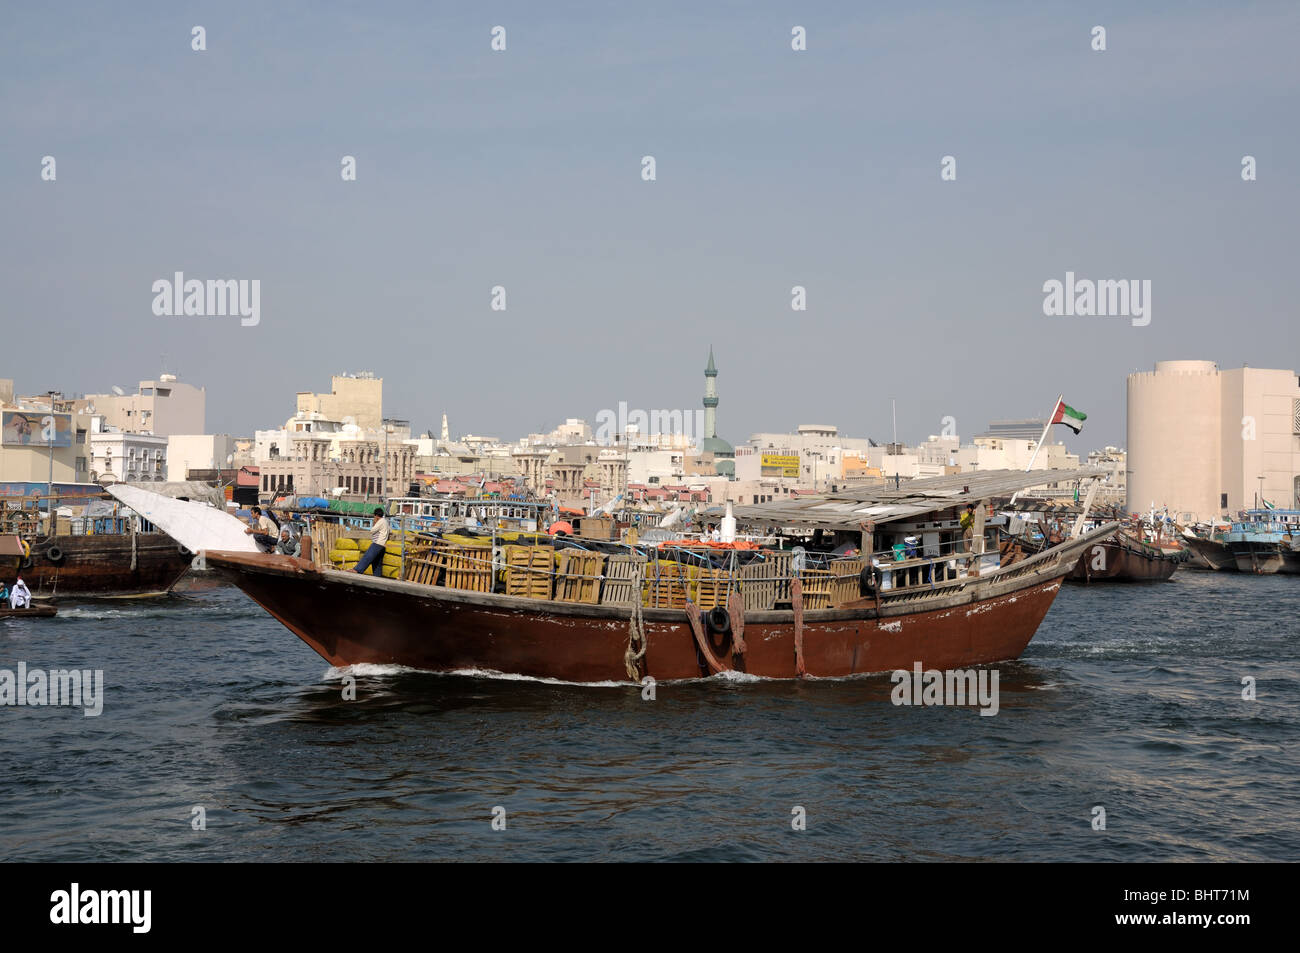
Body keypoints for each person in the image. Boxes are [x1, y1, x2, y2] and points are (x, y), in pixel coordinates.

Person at [354, 507, 389, 575]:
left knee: (367, 557)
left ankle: (357, 569)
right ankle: (377, 576)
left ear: (376, 515)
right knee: (377, 562)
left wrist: (374, 522)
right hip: (382, 545)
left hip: (377, 544)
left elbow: (372, 530)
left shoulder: (380, 521)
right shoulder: (385, 521)